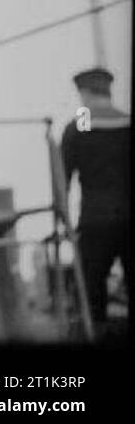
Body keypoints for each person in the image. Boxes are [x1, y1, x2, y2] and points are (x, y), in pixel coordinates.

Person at [60, 67, 130, 331]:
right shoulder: (126, 122)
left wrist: (63, 220)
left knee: (91, 290)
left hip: (95, 221)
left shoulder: (80, 125)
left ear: (84, 92)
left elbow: (62, 181)